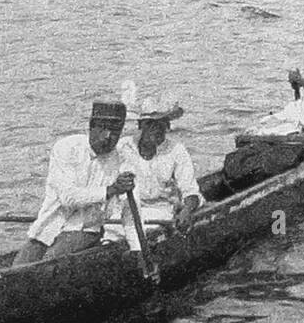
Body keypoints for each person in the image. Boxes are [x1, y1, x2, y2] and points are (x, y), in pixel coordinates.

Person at [12, 99, 135, 267]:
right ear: (91, 126)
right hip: (48, 226)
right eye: (103, 128)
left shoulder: (121, 159)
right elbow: (68, 197)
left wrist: (135, 245)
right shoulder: (66, 148)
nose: (108, 136)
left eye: (115, 131)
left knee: (44, 269)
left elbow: (127, 206)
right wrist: (110, 190)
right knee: (18, 268)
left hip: (84, 230)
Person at [118, 97, 202, 246]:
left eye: (161, 123)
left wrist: (186, 210)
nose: (156, 128)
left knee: (145, 235)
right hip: (124, 212)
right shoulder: (124, 147)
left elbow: (190, 191)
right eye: (150, 124)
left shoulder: (177, 151)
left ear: (168, 125)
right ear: (140, 125)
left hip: (159, 213)